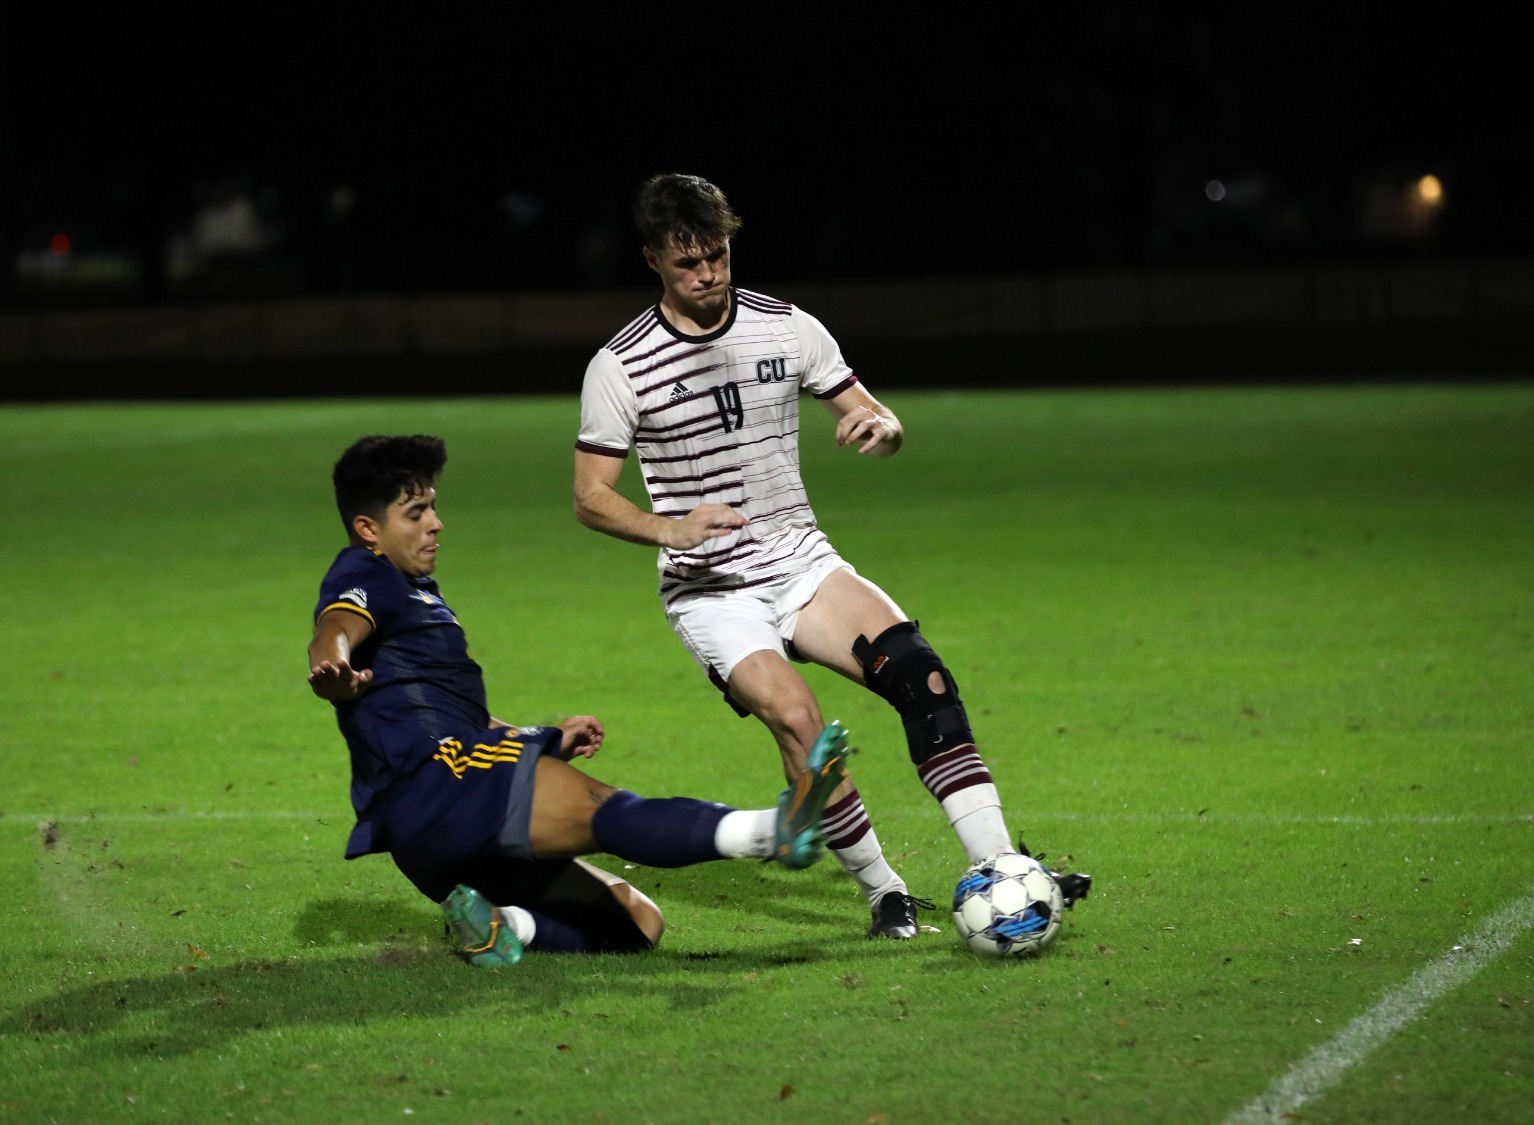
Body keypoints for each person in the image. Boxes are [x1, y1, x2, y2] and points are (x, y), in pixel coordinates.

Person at [572, 174, 1090, 939]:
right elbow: (590, 495)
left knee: (922, 674)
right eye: (689, 263)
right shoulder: (621, 365)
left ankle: (1002, 865)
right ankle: (883, 889)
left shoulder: (787, 327)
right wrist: (669, 528)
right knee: (799, 720)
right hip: (713, 592)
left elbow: (874, 415)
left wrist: (885, 431)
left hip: (800, 562)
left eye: (718, 254)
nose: (710, 273)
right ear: (653, 260)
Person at [308, 434, 851, 967]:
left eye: (433, 507)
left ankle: (501, 924)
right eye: (416, 512)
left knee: (637, 925)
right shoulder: (365, 572)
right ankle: (768, 832)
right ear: (368, 529)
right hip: (445, 786)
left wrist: (534, 738)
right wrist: (332, 666)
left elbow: (446, 713)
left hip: (427, 832)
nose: (435, 523)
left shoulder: (413, 592)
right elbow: (336, 627)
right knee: (607, 811)